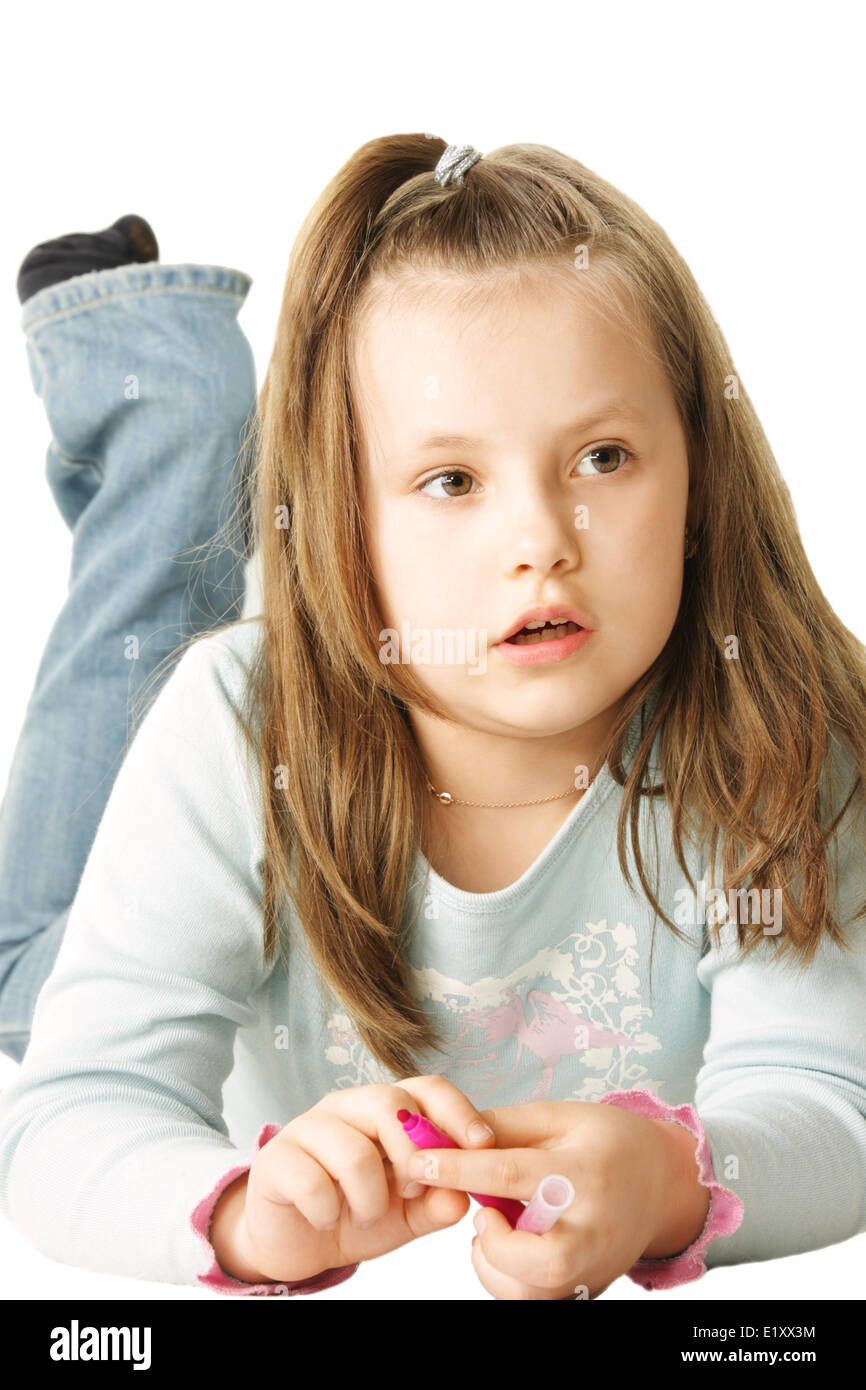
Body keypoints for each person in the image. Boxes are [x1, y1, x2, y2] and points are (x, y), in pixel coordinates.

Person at [0, 136, 864, 1302]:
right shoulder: (231, 732)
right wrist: (239, 1211)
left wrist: (671, 1180)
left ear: (700, 479)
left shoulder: (771, 734)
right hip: (105, 931)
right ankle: (166, 392)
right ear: (344, 521)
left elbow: (830, 1097)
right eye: (451, 480)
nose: (541, 540)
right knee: (149, 628)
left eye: (602, 457)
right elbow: (69, 1118)